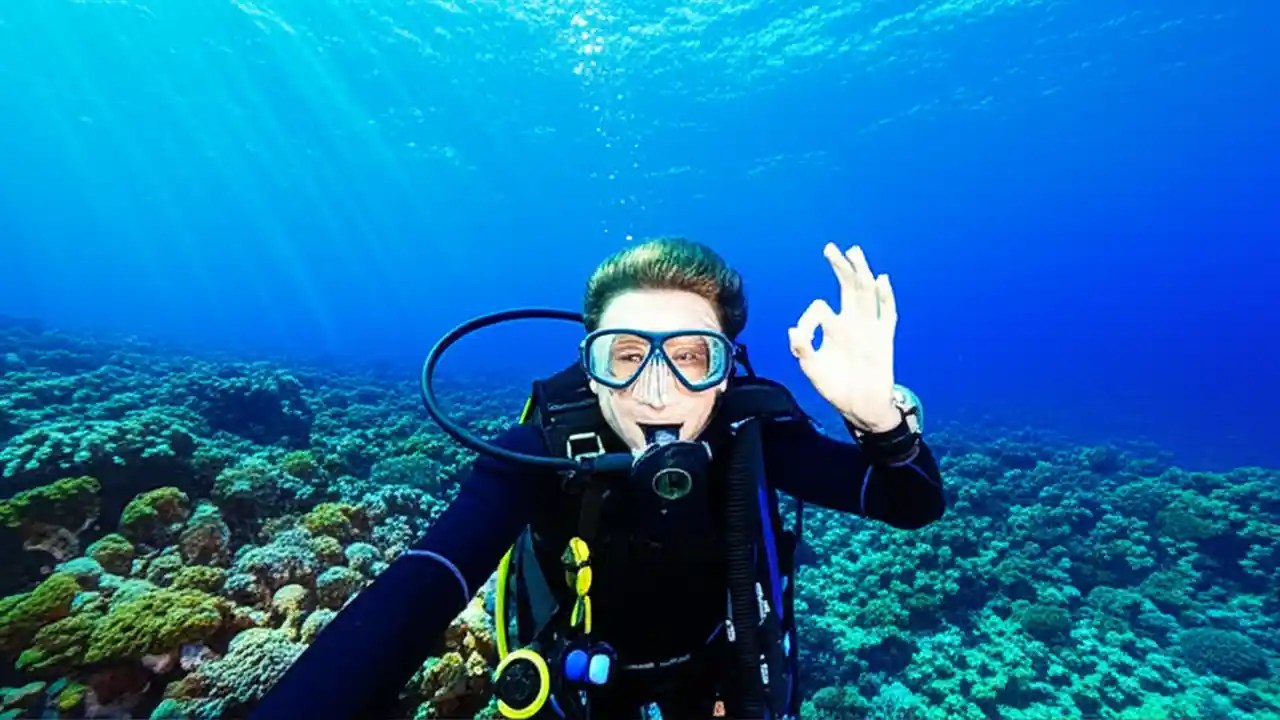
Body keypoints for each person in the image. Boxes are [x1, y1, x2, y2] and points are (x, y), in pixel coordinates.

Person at [250, 237, 945, 720]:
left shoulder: (752, 431)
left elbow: (910, 503)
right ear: (589, 367)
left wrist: (879, 420)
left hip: (716, 671)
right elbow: (424, 582)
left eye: (692, 356)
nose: (656, 392)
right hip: (579, 671)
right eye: (625, 355)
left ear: (727, 369)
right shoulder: (540, 449)